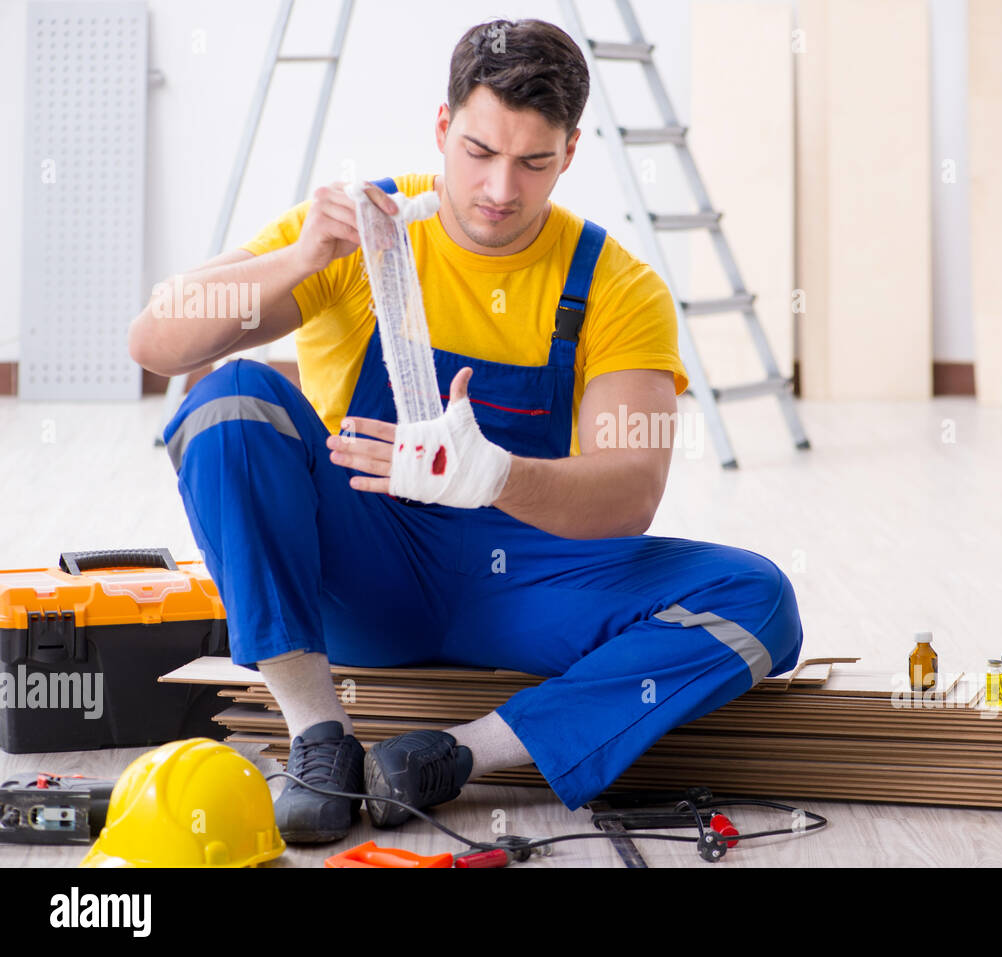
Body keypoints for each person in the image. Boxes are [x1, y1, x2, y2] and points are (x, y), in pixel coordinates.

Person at [128, 17, 803, 844]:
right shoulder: (362, 230)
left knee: (757, 597)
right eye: (480, 152)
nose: (499, 190)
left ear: (571, 153)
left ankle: (450, 756)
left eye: (534, 163)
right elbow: (155, 342)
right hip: (361, 570)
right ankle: (317, 738)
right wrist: (299, 258)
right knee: (231, 395)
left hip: (526, 581)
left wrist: (496, 475)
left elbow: (631, 493)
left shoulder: (617, 286)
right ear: (443, 127)